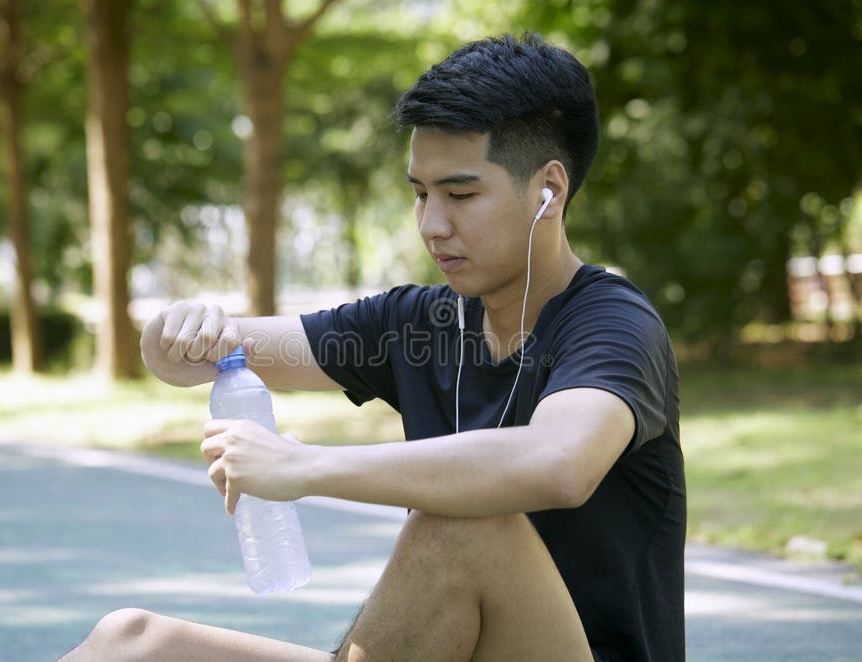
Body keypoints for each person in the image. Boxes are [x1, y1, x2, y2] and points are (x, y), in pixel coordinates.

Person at [62, 32, 685, 662]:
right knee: (134, 644)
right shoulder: (418, 323)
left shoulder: (613, 323)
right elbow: (213, 351)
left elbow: (558, 462)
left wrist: (304, 468)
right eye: (420, 193)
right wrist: (175, 333)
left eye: (460, 194)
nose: (432, 224)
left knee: (463, 523)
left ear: (547, 190)